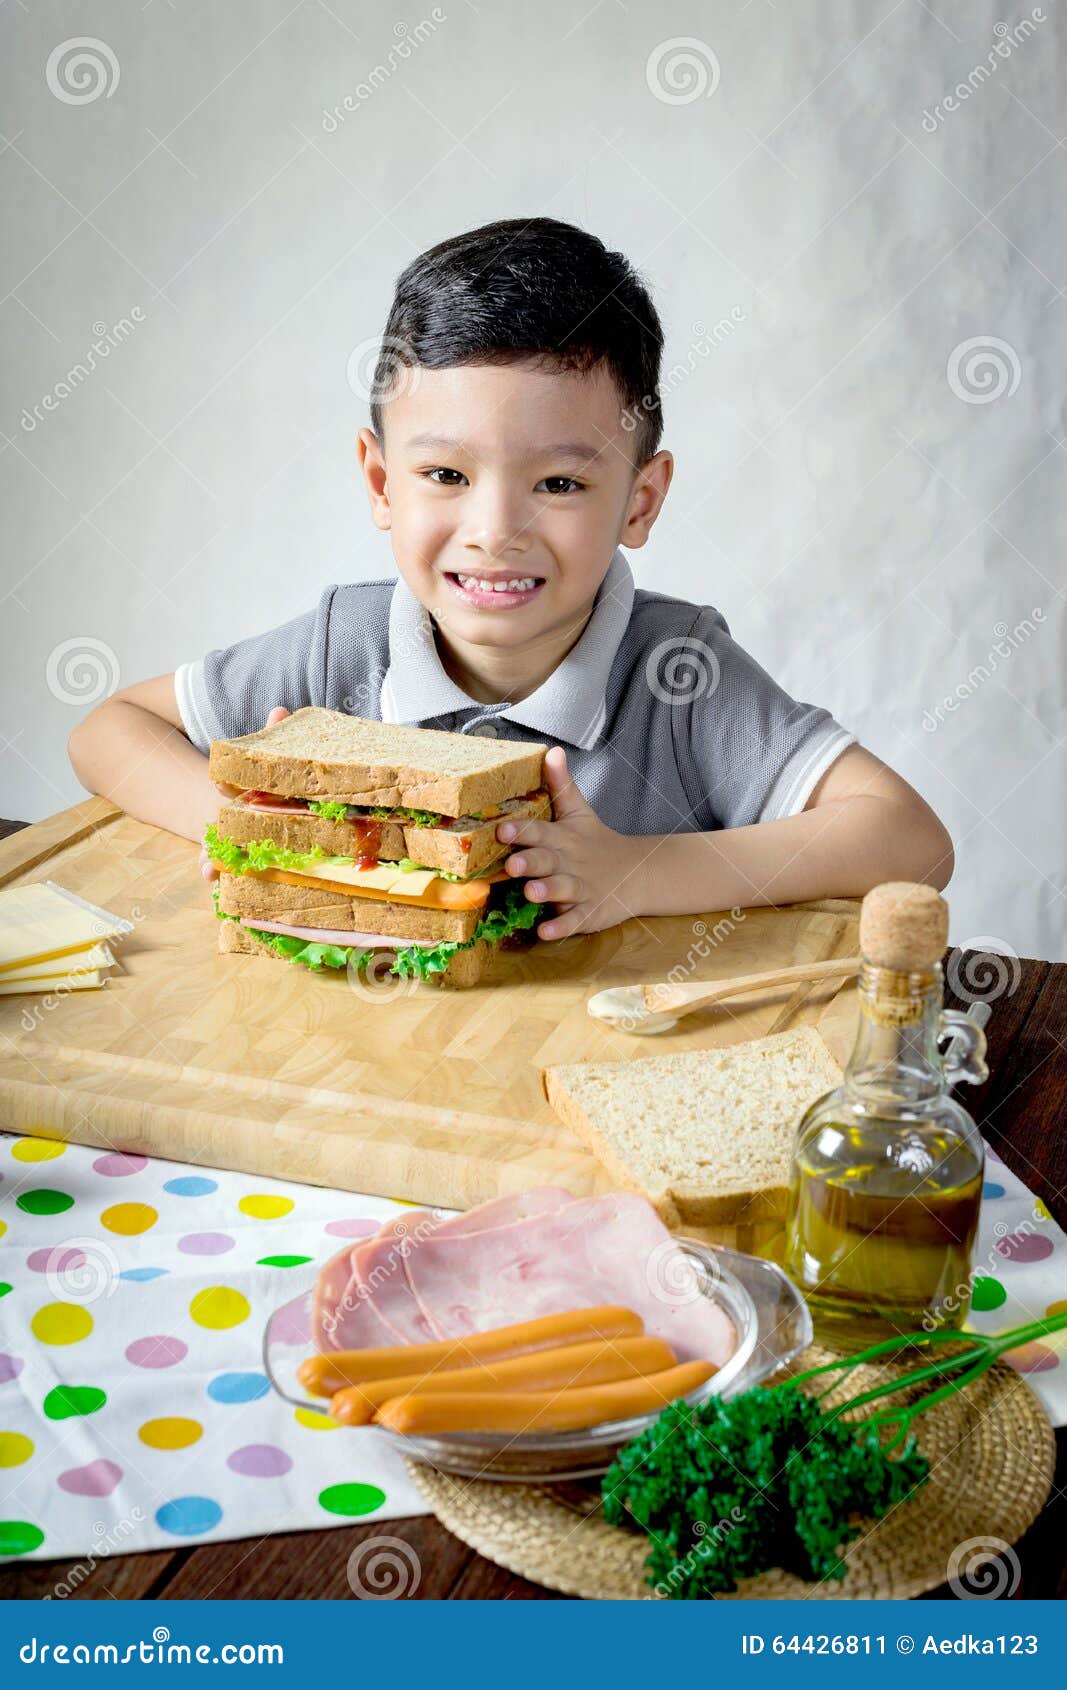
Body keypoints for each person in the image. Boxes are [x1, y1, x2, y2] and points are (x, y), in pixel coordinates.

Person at [69, 218, 952, 943]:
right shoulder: (346, 646)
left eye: (559, 485)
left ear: (639, 501)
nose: (495, 532)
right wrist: (247, 823)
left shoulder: (676, 673)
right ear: (381, 483)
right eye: (446, 477)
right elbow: (110, 729)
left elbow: (909, 839)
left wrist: (636, 873)